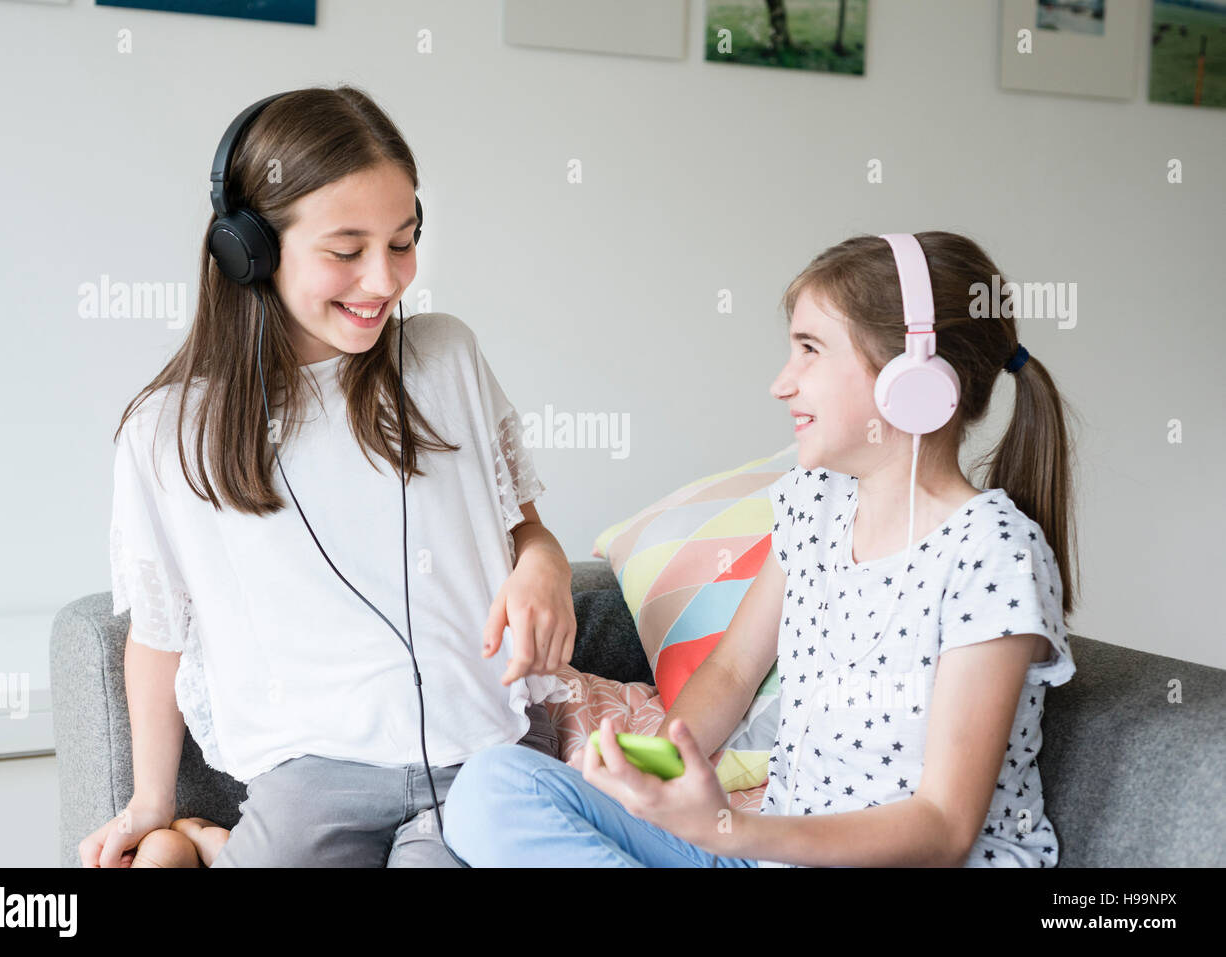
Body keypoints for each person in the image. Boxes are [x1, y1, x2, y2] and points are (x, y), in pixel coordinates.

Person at [442, 231, 1079, 867]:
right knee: (492, 786)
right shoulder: (814, 502)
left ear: (910, 380)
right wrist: (653, 773)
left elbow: (942, 830)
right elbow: (733, 671)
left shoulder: (992, 551)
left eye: (810, 350)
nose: (782, 383)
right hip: (772, 852)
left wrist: (727, 829)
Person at [78, 86, 574, 868]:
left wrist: (545, 565)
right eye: (346, 251)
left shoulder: (446, 359)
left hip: (480, 757)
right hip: (312, 776)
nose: (383, 280)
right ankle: (198, 842)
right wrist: (151, 800)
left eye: (403, 242)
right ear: (249, 249)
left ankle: (210, 851)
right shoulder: (166, 433)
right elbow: (159, 632)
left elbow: (526, 529)